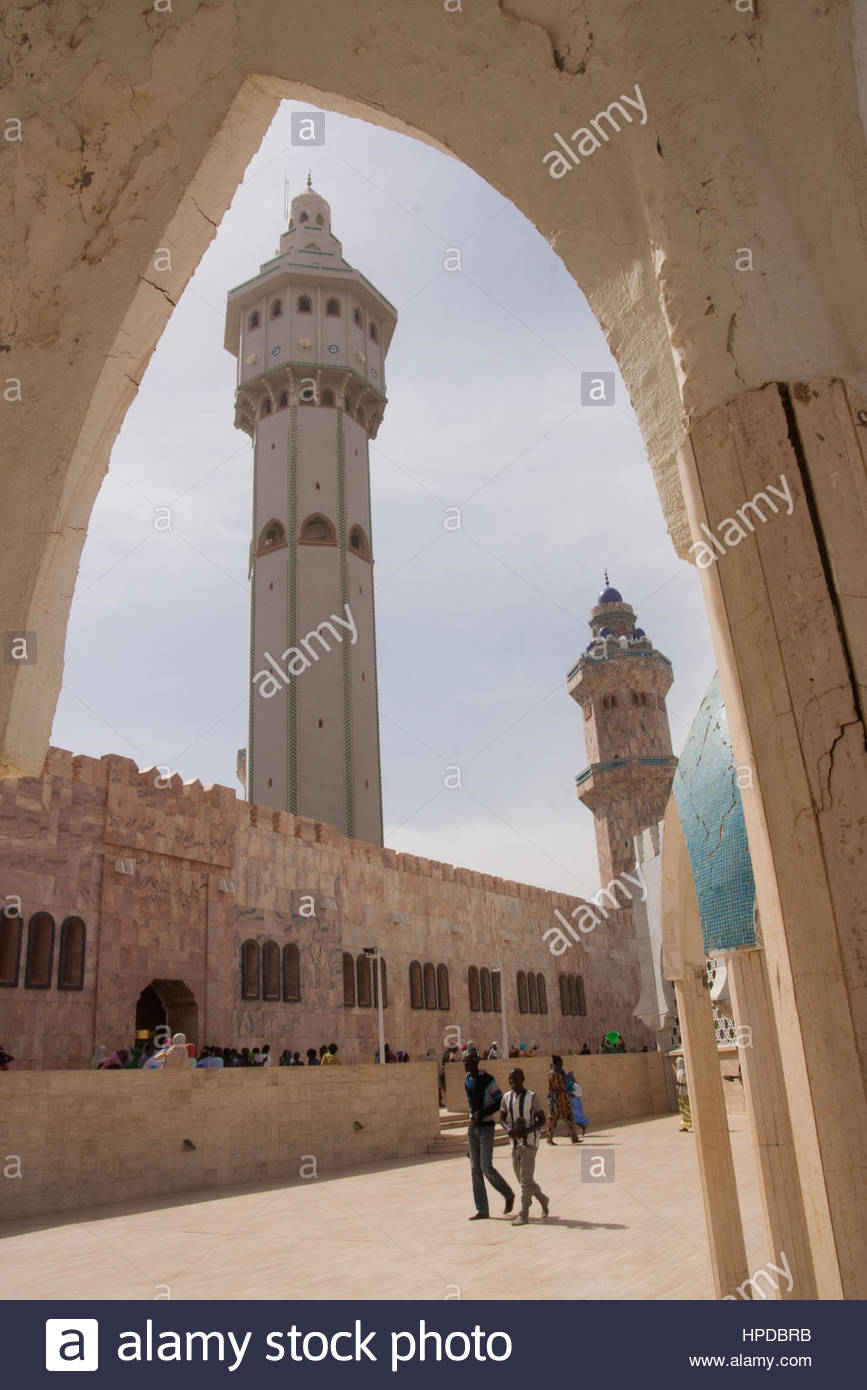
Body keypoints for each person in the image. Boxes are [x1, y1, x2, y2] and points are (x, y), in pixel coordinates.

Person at [464, 1050, 515, 1221]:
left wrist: (483, 1113)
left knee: (486, 1166)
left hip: (486, 1127)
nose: (465, 1065)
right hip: (473, 1128)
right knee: (474, 1170)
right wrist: (473, 1117)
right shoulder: (467, 1082)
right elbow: (471, 1104)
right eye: (465, 1062)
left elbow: (499, 1100)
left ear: (475, 1063)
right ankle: (482, 1209)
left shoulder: (488, 1080)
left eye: (468, 1062)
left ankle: (508, 1194)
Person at [499, 1066, 549, 1226]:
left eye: (515, 1079)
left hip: (530, 1143)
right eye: (510, 1079)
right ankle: (542, 1198)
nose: (512, 1082)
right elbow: (501, 1118)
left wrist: (527, 1130)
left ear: (522, 1080)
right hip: (514, 1144)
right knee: (522, 1179)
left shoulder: (532, 1097)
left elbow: (542, 1120)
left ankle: (524, 1213)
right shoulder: (506, 1097)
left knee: (526, 1180)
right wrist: (509, 1130)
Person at [546, 1054, 581, 1144]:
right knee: (553, 1120)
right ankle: (549, 1139)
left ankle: (574, 1138)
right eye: (561, 1063)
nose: (562, 1065)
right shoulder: (552, 1074)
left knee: (569, 1118)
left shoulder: (560, 1073)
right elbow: (557, 1087)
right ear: (557, 1063)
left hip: (564, 1100)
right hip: (556, 1101)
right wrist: (568, 1088)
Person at [675, 1056, 692, 1132]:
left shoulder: (683, 1072)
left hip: (683, 1090)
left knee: (686, 1107)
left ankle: (689, 1123)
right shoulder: (679, 1071)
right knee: (683, 1107)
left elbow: (683, 1080)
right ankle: (685, 1125)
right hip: (680, 1090)